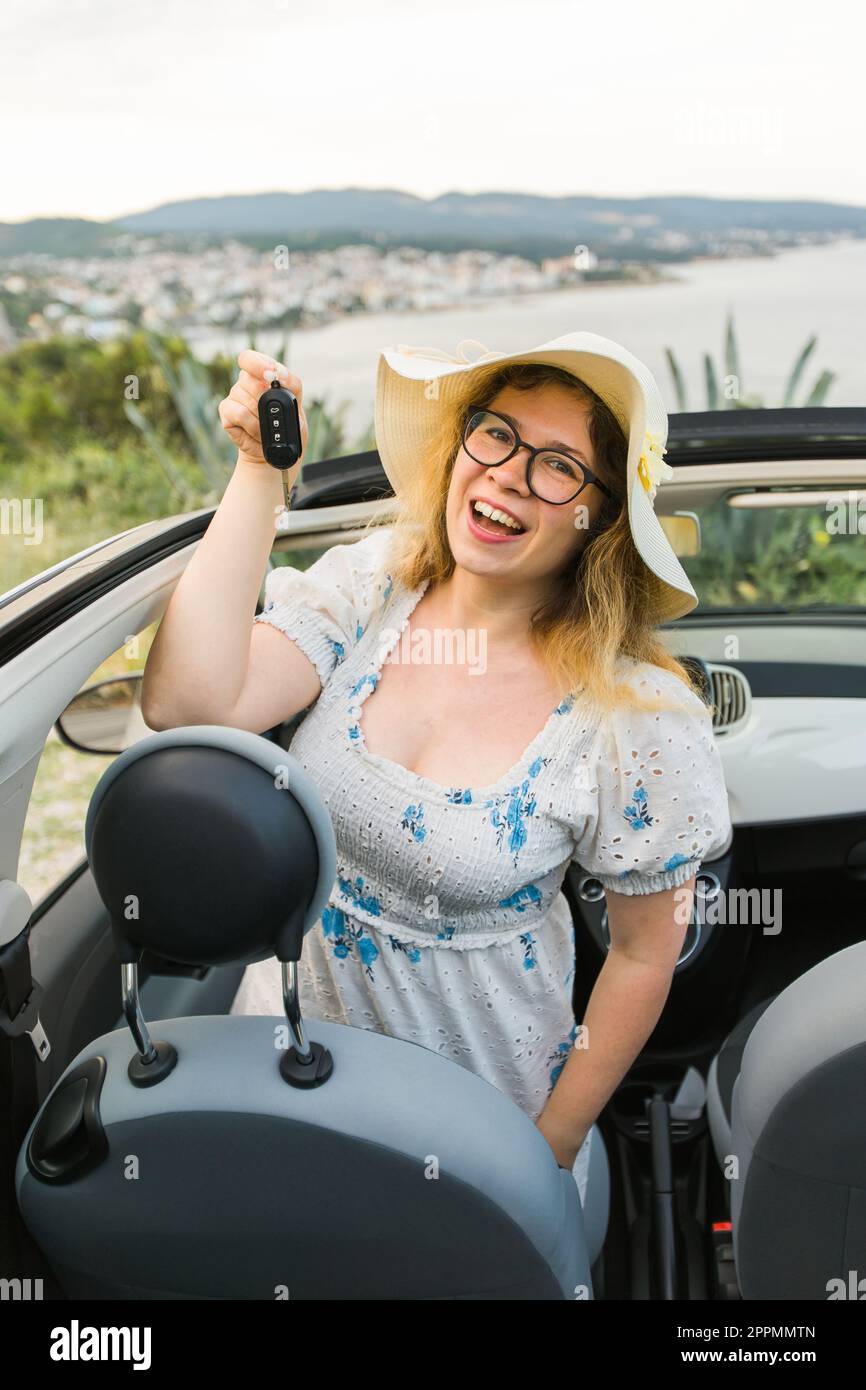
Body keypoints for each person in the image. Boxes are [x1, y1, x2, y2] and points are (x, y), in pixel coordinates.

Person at [141, 332, 732, 1216]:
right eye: (495, 435)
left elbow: (646, 955)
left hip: (476, 1121)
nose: (508, 474)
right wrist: (260, 474)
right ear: (461, 446)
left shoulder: (637, 716)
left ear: (599, 518)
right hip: (287, 1068)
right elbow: (188, 699)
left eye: (559, 465)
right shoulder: (370, 589)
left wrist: (548, 1149)